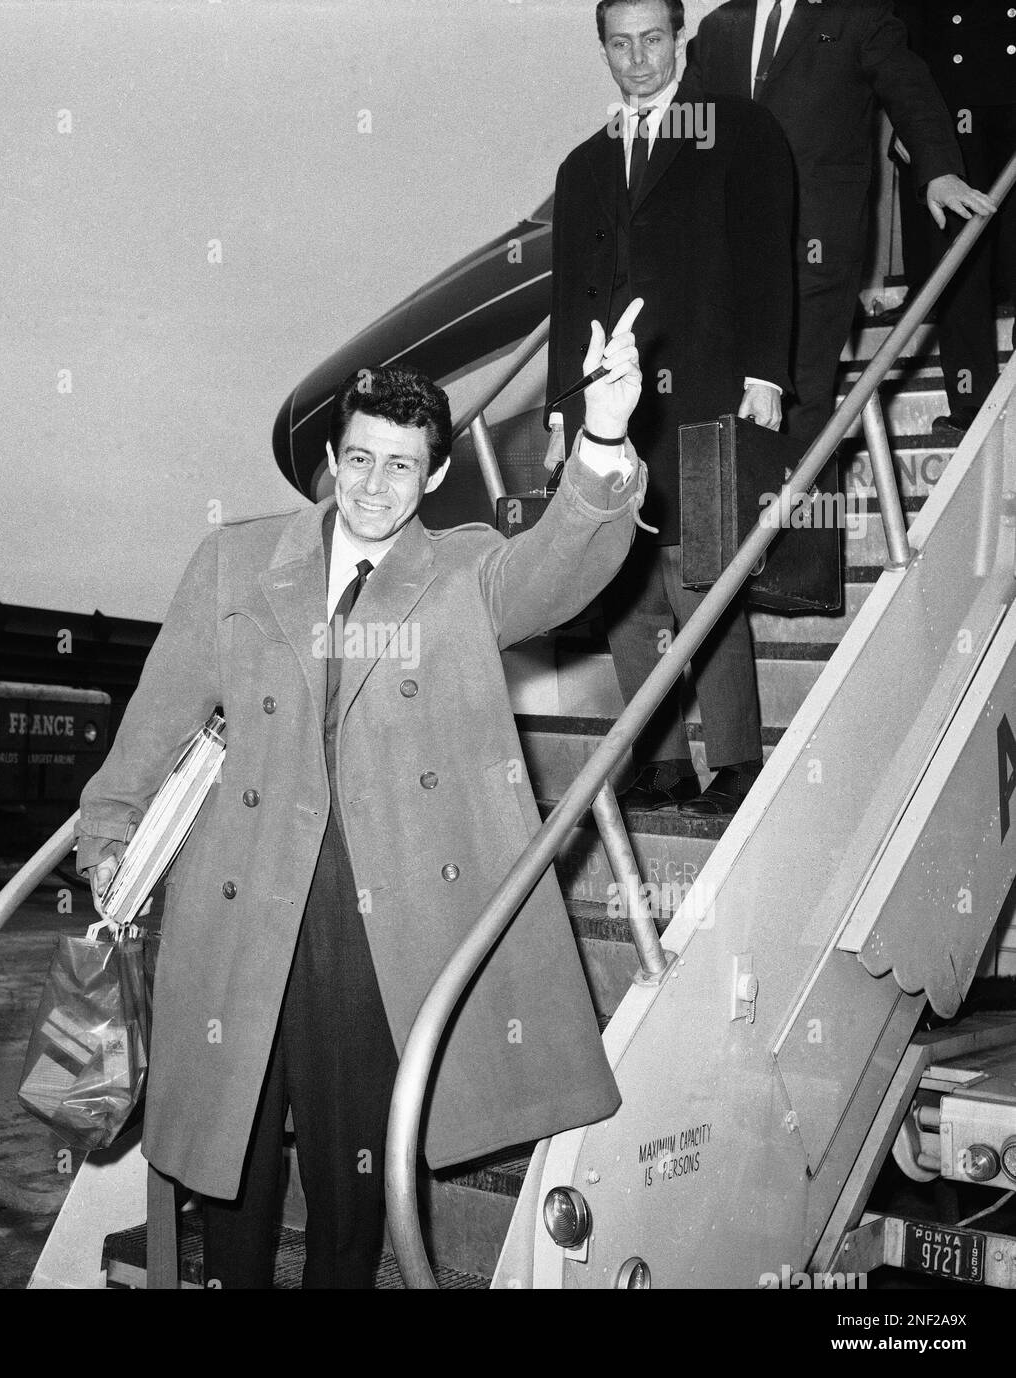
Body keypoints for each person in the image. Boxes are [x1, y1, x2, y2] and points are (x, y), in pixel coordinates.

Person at [77, 305, 648, 1288]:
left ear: (433, 475)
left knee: (355, 1160)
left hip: (375, 905)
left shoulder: (467, 570)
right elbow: (160, 711)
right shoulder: (237, 562)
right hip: (243, 887)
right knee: (230, 1147)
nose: (373, 485)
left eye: (399, 466)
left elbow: (565, 565)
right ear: (329, 463)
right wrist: (110, 830)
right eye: (357, 460)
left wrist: (601, 437)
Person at [548, 0, 794, 816]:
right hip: (612, 406)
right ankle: (658, 762)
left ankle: (734, 759)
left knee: (705, 574)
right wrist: (561, 414)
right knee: (624, 581)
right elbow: (572, 295)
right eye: (620, 44)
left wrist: (765, 375)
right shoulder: (585, 165)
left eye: (654, 39)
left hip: (708, 385)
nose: (639, 58)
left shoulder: (739, 128)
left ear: (681, 39)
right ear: (603, 51)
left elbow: (766, 258)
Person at [686, 0, 995, 454]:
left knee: (801, 391)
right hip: (731, 245)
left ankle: (796, 518)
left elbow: (909, 89)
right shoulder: (719, 26)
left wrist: (939, 169)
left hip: (817, 240)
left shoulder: (857, 16)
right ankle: (750, 515)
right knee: (730, 393)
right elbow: (689, 121)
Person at [898, 0, 1016, 439]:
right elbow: (900, 30)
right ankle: (971, 400)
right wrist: (908, 121)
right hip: (948, 98)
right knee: (960, 253)